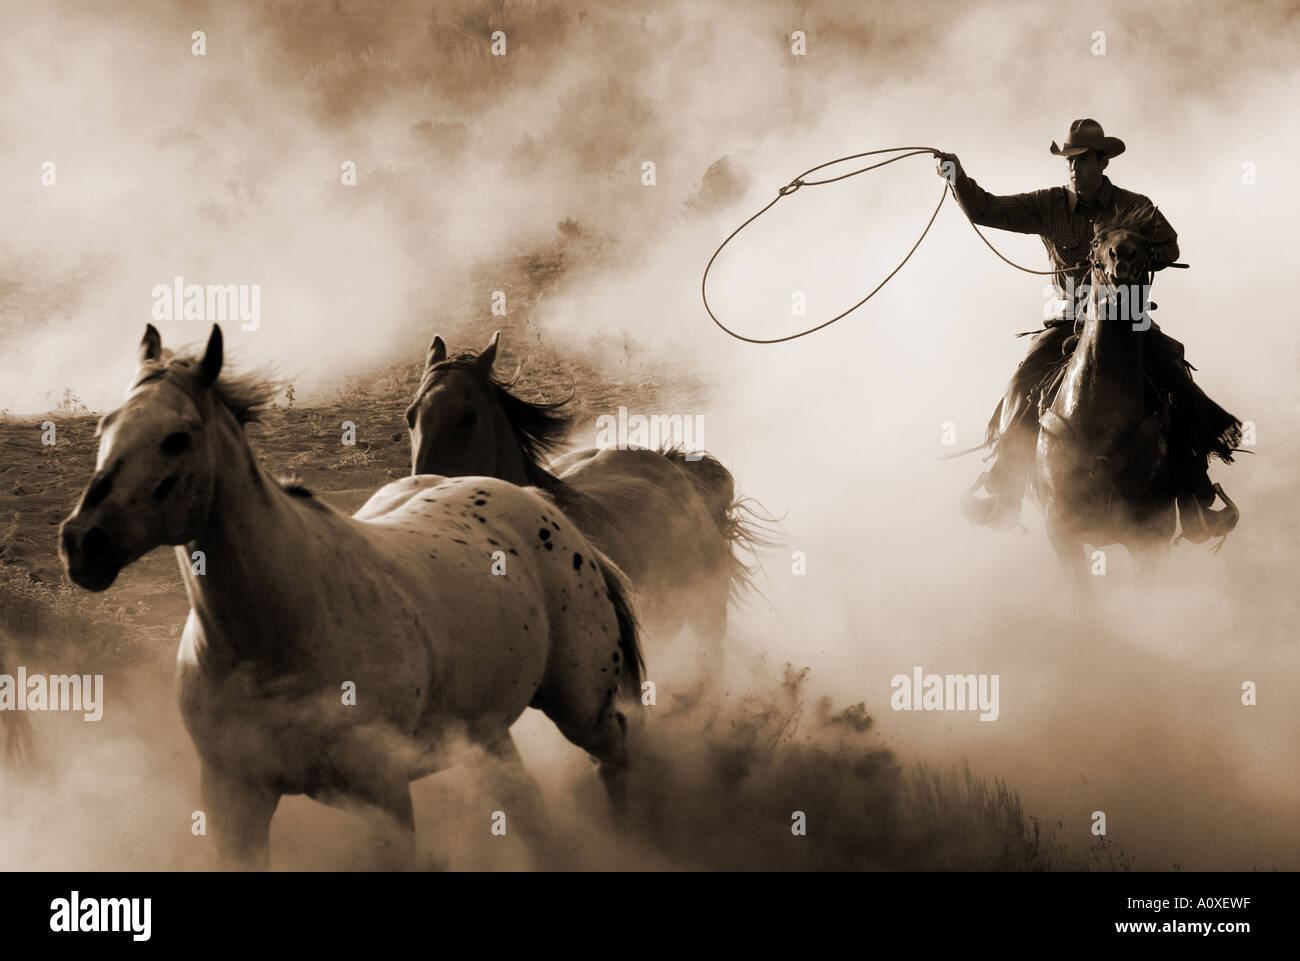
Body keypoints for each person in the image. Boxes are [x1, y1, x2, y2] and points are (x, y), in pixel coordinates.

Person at [934, 119, 1240, 541]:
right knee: (1022, 383)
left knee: (1175, 379)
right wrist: (957, 179)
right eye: (1069, 161)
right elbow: (986, 209)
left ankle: (1195, 497)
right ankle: (1004, 485)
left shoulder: (1136, 207)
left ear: (1103, 160)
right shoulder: (1047, 205)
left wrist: (1138, 255)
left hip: (1129, 319)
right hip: (1066, 322)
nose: (1074, 168)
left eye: (1082, 160)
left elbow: (1171, 246)